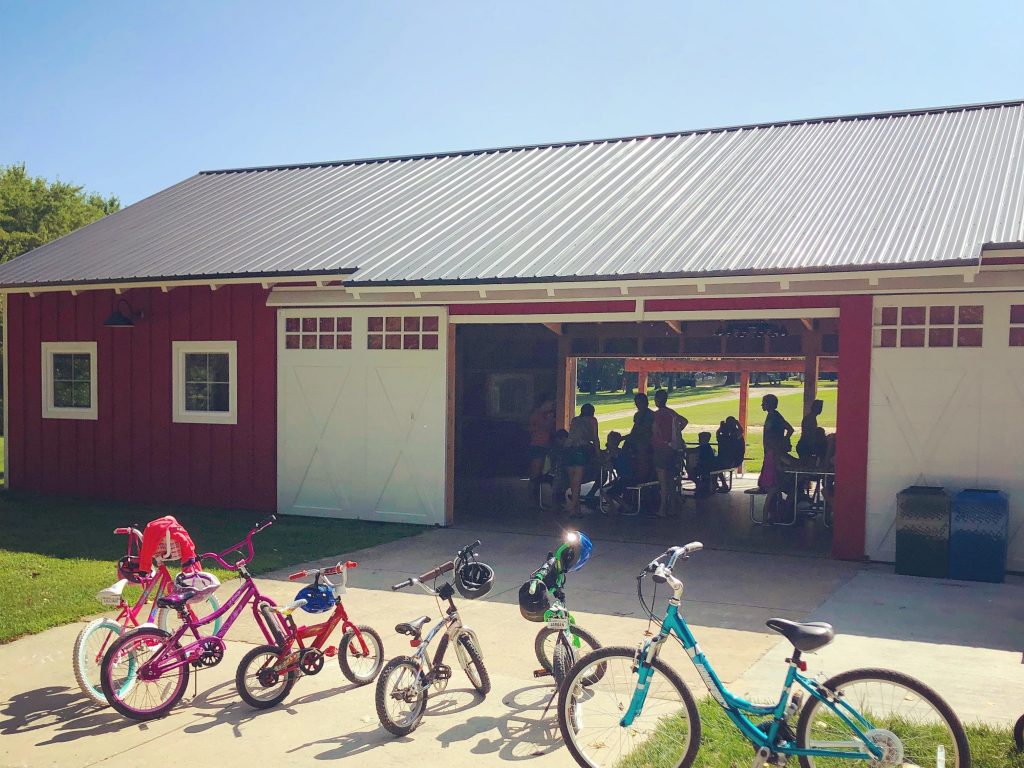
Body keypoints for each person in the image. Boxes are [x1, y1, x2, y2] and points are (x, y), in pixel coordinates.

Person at [651, 389, 687, 517]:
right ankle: (673, 505)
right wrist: (675, 434)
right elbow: (684, 421)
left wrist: (660, 439)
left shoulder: (657, 414)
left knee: (662, 480)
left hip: (661, 449)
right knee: (671, 479)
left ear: (657, 399)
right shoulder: (671, 413)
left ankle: (662, 508)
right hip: (672, 449)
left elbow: (655, 431)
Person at [565, 403, 599, 518]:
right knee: (577, 481)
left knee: (572, 480)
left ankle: (577, 508)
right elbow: (595, 438)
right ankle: (573, 508)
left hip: (568, 450)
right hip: (581, 449)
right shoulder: (592, 421)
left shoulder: (575, 420)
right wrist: (598, 454)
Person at [527, 398, 555, 506]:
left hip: (543, 445)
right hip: (537, 445)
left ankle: (536, 500)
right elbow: (543, 427)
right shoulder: (537, 415)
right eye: (550, 403)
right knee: (535, 475)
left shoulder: (542, 415)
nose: (552, 406)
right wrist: (550, 420)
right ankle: (532, 500)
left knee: (538, 475)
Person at [627, 392, 656, 485]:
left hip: (647, 443)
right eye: (636, 403)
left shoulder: (651, 415)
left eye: (639, 403)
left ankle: (642, 476)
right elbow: (634, 430)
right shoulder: (637, 415)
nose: (637, 405)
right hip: (637, 442)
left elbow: (645, 430)